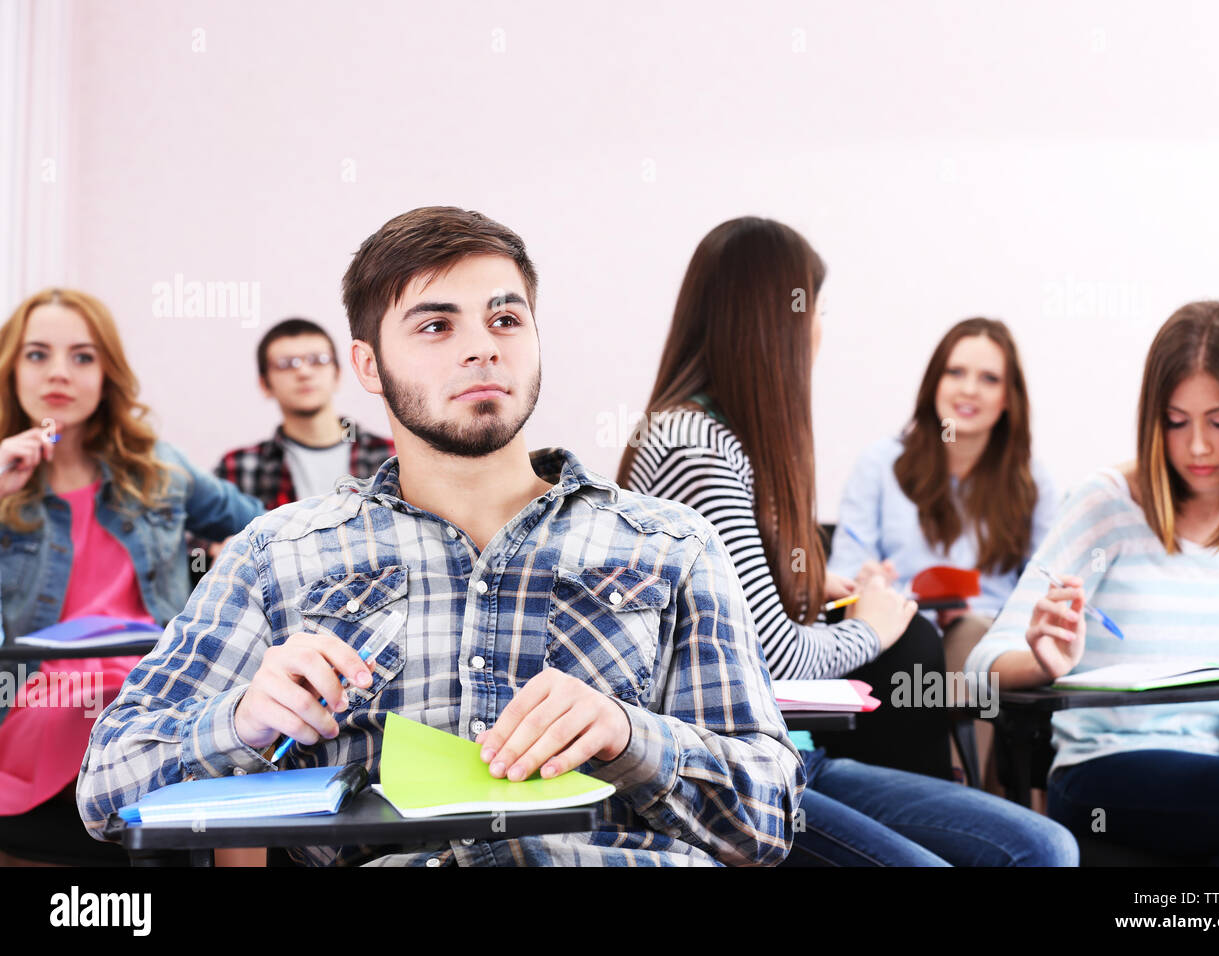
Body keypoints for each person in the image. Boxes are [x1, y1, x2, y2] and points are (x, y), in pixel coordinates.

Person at [78, 206, 803, 867]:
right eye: (436, 326)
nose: (482, 349)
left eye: (506, 321)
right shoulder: (277, 554)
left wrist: (629, 734)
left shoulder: (672, 544)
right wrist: (241, 719)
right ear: (369, 366)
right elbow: (106, 787)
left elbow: (770, 819)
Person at [618, 216, 1077, 865]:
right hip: (731, 774)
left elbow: (736, 617)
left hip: (783, 753)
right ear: (772, 321)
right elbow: (771, 656)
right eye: (813, 309)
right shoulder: (700, 450)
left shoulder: (714, 440)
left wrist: (803, 584)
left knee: (1045, 844)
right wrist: (872, 625)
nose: (819, 329)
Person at [966, 298, 1219, 865]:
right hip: (1101, 774)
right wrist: (1044, 661)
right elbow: (981, 666)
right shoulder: (1109, 505)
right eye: (1176, 421)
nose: (1197, 446)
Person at [0, 288, 262, 863]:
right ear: (12, 367)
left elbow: (264, 532)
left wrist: (230, 564)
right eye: (38, 354)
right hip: (40, 698)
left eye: (83, 356)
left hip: (155, 686)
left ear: (106, 373)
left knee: (233, 726)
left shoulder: (159, 468)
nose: (59, 374)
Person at [827, 318, 1057, 788]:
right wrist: (871, 580)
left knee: (975, 632)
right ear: (935, 381)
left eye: (989, 378)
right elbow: (845, 573)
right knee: (924, 641)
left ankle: (953, 783)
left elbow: (1045, 586)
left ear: (1009, 398)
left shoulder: (1033, 482)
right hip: (897, 642)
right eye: (956, 372)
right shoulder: (881, 464)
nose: (968, 389)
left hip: (988, 642)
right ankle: (961, 790)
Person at [215, 317, 395, 511]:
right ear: (264, 384)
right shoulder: (239, 466)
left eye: (318, 360)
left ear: (338, 375)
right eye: (286, 364)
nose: (304, 372)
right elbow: (199, 538)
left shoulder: (390, 455)